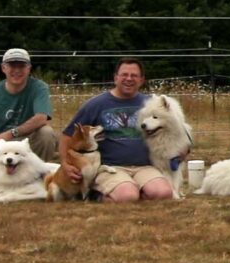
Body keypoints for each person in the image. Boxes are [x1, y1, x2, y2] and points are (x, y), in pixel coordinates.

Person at [66, 58, 179, 202]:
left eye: (134, 75)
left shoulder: (152, 104)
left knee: (163, 193)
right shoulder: (96, 104)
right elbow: (67, 136)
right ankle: (98, 194)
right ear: (115, 78)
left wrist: (181, 150)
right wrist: (66, 164)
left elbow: (174, 129)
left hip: (145, 166)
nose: (129, 79)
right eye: (124, 75)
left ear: (142, 80)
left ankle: (132, 192)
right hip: (111, 167)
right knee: (127, 196)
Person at [0, 48, 59, 162]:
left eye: (21, 66)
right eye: (12, 66)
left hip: (28, 142)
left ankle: (40, 169)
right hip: (1, 145)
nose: (17, 70)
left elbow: (41, 118)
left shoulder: (39, 87)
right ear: (3, 68)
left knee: (46, 133)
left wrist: (11, 133)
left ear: (29, 68)